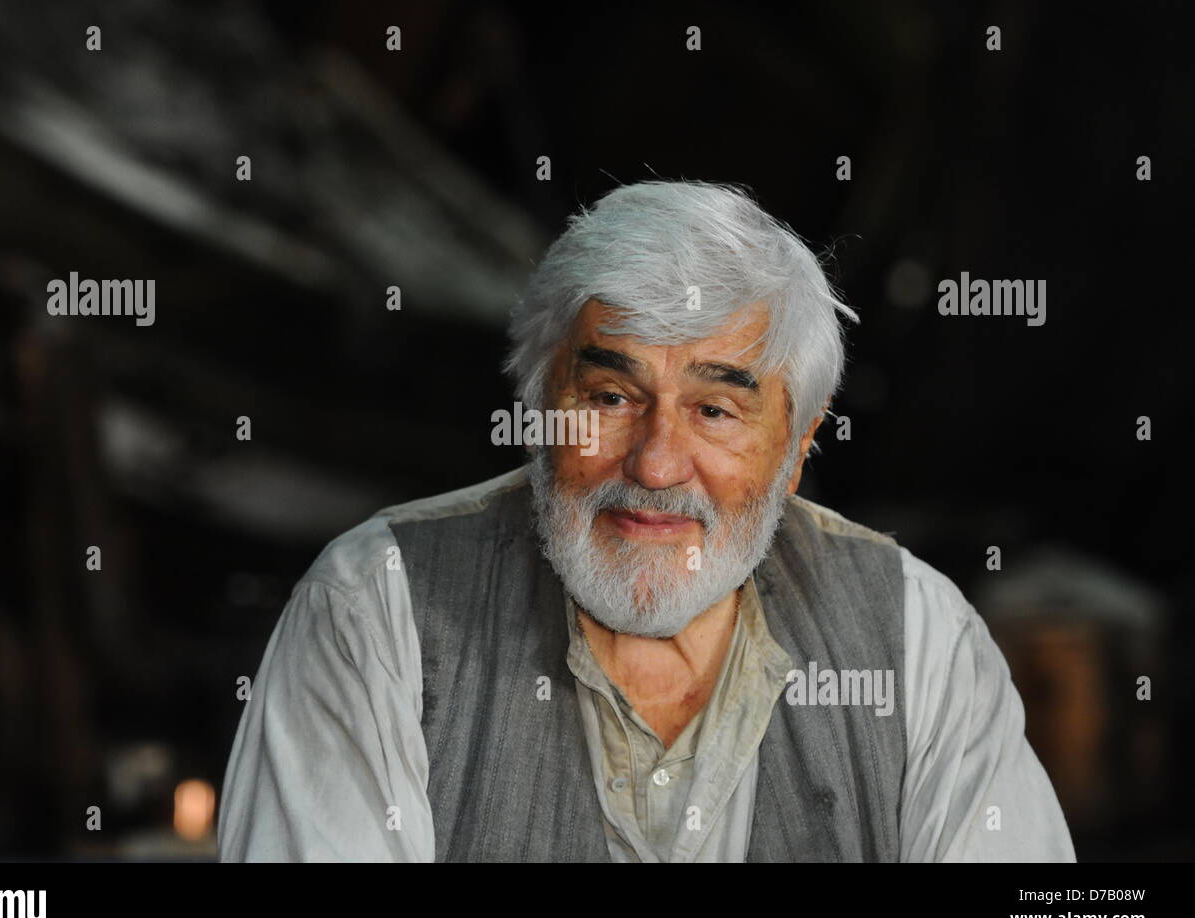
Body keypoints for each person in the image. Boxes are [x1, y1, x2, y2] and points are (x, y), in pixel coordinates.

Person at [217, 179, 1075, 862]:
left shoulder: (918, 639)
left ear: (798, 445)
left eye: (716, 411)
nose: (657, 464)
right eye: (612, 396)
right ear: (540, 405)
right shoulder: (374, 612)